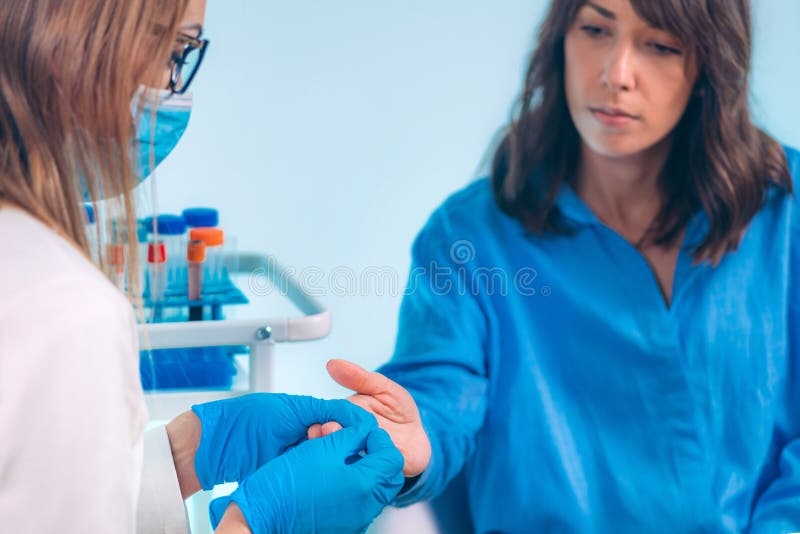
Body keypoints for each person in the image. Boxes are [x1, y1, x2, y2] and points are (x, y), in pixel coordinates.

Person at [311, 0, 800, 531]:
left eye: (660, 45)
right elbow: (440, 395)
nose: (616, 74)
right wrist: (406, 435)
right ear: (560, 38)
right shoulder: (469, 238)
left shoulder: (787, 214)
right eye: (595, 29)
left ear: (710, 64)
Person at [0, 1, 403, 533]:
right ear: (69, 40)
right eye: (176, 51)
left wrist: (185, 454)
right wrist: (252, 524)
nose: (174, 85)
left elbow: (41, 496)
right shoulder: (66, 310)